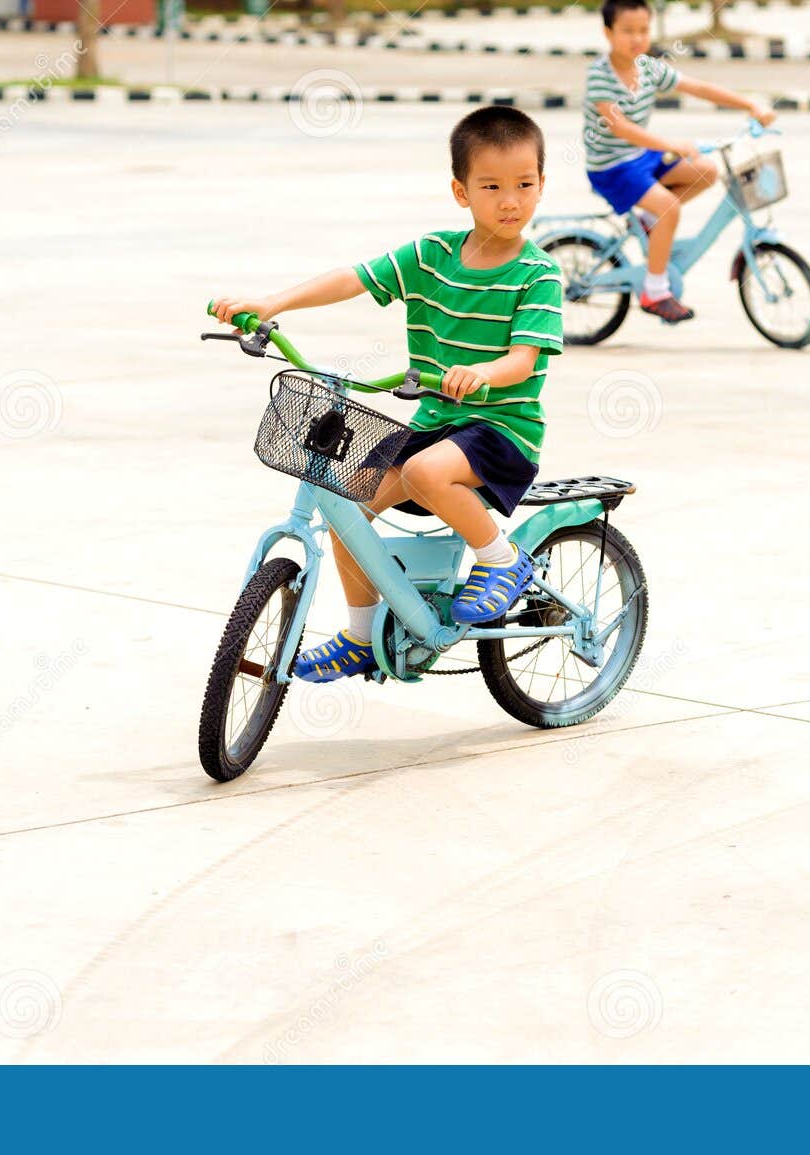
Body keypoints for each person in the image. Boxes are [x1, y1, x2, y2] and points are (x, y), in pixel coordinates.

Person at [210, 106, 565, 682]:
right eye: (492, 186)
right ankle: (359, 633)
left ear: (542, 185)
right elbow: (354, 277)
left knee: (426, 472)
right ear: (461, 191)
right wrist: (272, 304)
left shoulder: (537, 273)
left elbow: (523, 360)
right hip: (434, 425)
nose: (510, 201)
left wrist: (481, 374)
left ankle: (502, 559)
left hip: (502, 431)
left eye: (525, 185)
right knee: (345, 502)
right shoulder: (430, 257)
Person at [584, 0, 776, 323]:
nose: (637, 38)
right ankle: (655, 291)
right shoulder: (600, 75)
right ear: (608, 33)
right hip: (611, 167)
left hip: (640, 158)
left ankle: (650, 220)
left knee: (706, 171)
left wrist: (750, 105)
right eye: (627, 31)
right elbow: (620, 127)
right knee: (669, 207)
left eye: (643, 30)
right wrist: (671, 144)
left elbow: (698, 87)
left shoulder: (648, 68)